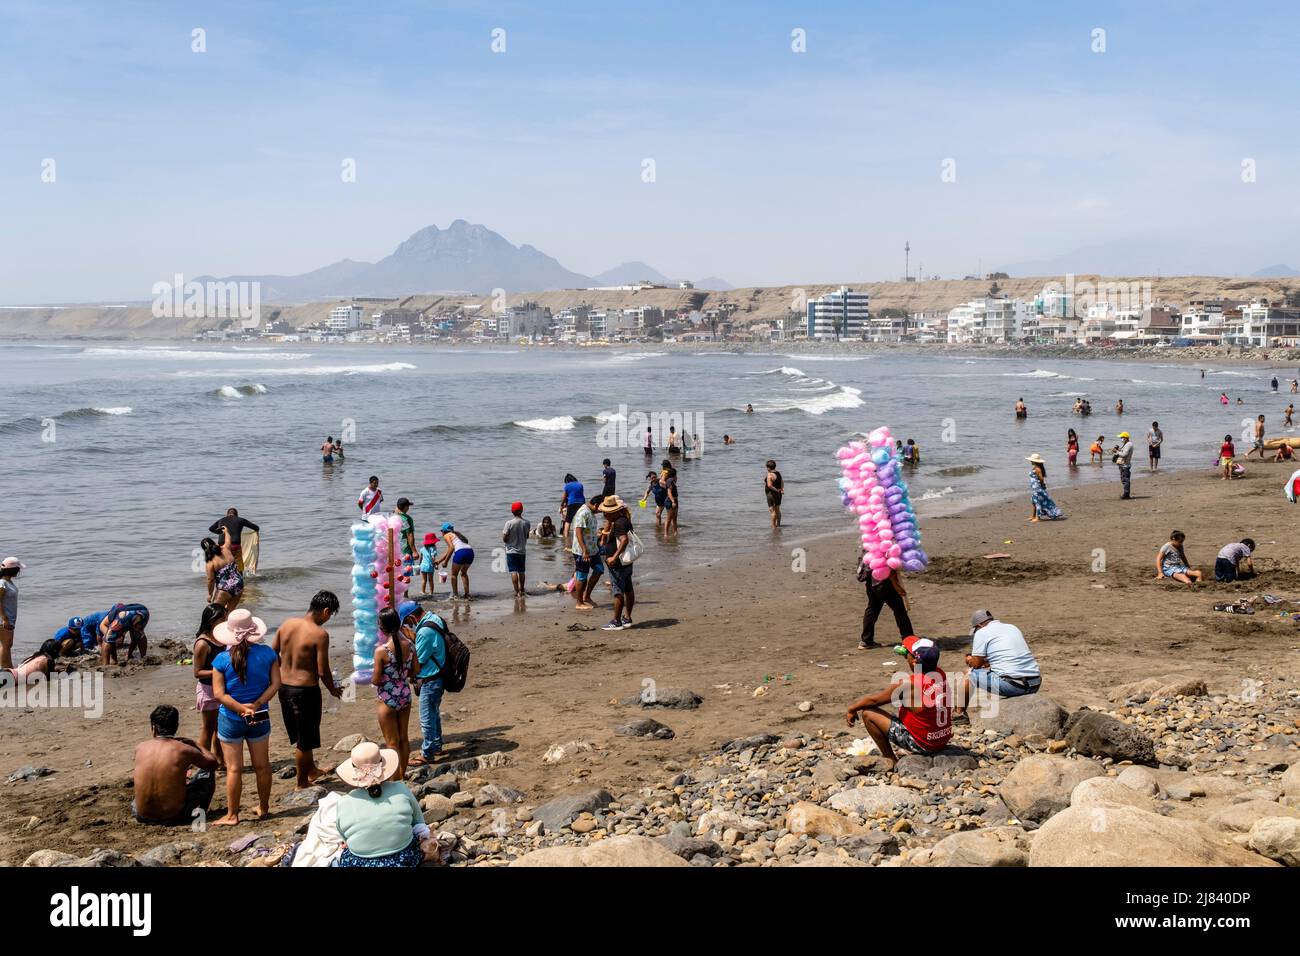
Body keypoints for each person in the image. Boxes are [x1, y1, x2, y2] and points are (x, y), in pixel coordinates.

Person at [210, 609, 280, 825]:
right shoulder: (268, 653)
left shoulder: (221, 659)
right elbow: (276, 684)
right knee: (262, 765)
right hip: (259, 714)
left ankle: (232, 815)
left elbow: (219, 694)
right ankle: (264, 807)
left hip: (231, 717)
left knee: (234, 769)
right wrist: (256, 704)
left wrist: (240, 708)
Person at [844, 635, 952, 770]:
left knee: (868, 714)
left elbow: (873, 701)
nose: (905, 656)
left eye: (907, 655)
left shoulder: (909, 684)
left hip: (925, 744)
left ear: (914, 661)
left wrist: (851, 709)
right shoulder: (940, 674)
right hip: (942, 738)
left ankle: (891, 759)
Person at [271, 590, 342, 789]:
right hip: (305, 692)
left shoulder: (287, 624)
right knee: (305, 740)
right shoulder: (320, 634)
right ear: (326, 611)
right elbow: (322, 670)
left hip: (284, 689)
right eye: (330, 615)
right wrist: (333, 689)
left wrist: (282, 672)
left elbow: (272, 652)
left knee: (303, 735)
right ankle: (302, 783)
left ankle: (311, 770)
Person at [334, 741, 431, 867]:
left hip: (360, 863)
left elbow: (344, 836)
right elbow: (419, 825)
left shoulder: (344, 801)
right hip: (403, 859)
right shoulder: (400, 789)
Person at [131, 705, 218, 826]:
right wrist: (195, 744)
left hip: (141, 814)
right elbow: (213, 764)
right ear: (176, 726)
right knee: (207, 773)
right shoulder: (184, 749)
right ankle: (201, 813)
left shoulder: (140, 747)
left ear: (153, 728)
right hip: (174, 816)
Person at [955, 610, 1041, 715]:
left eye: (976, 629)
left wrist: (970, 660)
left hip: (1016, 687)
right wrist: (986, 661)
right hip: (1035, 683)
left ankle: (958, 714)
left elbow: (976, 665)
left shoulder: (982, 632)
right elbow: (1006, 656)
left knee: (969, 674)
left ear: (979, 625)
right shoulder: (1012, 627)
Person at [372, 608, 414, 778]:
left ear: (382, 628)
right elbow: (415, 670)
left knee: (391, 743)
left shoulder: (381, 651)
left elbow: (376, 680)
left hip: (387, 699)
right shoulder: (410, 645)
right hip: (405, 695)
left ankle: (395, 778)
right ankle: (402, 774)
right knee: (403, 737)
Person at [406, 601, 448, 766]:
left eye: (407, 622)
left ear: (411, 617)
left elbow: (419, 661)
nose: (408, 626)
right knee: (434, 713)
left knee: (426, 718)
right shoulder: (434, 619)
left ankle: (428, 753)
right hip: (439, 675)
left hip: (430, 679)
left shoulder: (424, 631)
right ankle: (436, 745)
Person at [193, 602, 230, 771]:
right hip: (208, 690)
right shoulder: (203, 643)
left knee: (220, 728)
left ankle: (221, 761)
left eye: (225, 617)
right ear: (210, 620)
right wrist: (219, 671)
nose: (225, 620)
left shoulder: (223, 637)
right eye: (221, 618)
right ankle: (202, 762)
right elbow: (198, 672)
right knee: (208, 728)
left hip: (223, 688)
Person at [599, 496, 636, 631]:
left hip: (618, 563)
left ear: (613, 512)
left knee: (618, 591)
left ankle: (616, 621)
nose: (604, 515)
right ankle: (627, 618)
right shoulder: (624, 520)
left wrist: (614, 557)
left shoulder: (619, 523)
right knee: (628, 589)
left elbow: (624, 540)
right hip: (626, 561)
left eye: (606, 513)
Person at [859, 564, 912, 650]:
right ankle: (909, 639)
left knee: (873, 608)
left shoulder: (868, 550)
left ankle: (866, 641)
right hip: (885, 583)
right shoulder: (887, 550)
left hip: (871, 581)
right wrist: (896, 585)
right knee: (900, 610)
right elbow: (889, 567)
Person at [571, 494, 605, 610]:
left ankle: (587, 596)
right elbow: (578, 532)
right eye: (600, 509)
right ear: (596, 505)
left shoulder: (591, 512)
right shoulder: (583, 512)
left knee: (599, 569)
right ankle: (579, 602)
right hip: (582, 551)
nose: (601, 511)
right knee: (582, 576)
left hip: (593, 549)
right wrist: (584, 550)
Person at [202, 527, 244, 610]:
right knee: (230, 610)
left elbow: (211, 580)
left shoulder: (210, 563)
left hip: (225, 588)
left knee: (215, 612)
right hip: (238, 583)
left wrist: (210, 594)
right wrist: (226, 531)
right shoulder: (226, 549)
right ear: (214, 543)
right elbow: (228, 539)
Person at [208, 508, 259, 573]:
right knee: (239, 566)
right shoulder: (241, 520)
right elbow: (256, 527)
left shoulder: (220, 520)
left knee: (224, 565)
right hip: (234, 546)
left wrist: (218, 532)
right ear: (236, 514)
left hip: (222, 547)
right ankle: (239, 578)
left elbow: (211, 529)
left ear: (227, 514)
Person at [436, 524, 474, 599]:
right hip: (470, 552)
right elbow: (449, 551)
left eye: (441, 531)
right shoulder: (456, 535)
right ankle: (467, 594)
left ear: (444, 531)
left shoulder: (447, 535)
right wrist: (439, 561)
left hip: (460, 553)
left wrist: (446, 562)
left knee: (454, 575)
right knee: (463, 573)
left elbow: (451, 548)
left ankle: (455, 595)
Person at [502, 501, 530, 597]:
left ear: (512, 512)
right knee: (521, 571)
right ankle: (522, 589)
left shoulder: (509, 523)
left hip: (511, 551)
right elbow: (527, 536)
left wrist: (508, 539)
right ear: (522, 510)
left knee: (513, 571)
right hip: (522, 551)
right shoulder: (527, 523)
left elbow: (504, 539)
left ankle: (516, 591)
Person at [0, 556, 22, 670]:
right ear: (13, 570)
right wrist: (5, 619)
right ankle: (6, 668)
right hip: (4, 619)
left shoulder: (8, 582)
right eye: (18, 569)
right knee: (6, 644)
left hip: (9, 618)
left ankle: (6, 667)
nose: (19, 572)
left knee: (8, 644)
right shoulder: (2, 583)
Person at [1026, 453, 1063, 521]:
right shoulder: (1035, 468)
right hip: (1035, 487)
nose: (1030, 461)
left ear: (1034, 461)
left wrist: (1042, 485)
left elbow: (1041, 478)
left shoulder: (1038, 469)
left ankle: (1038, 518)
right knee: (1034, 501)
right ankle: (1033, 516)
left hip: (1037, 488)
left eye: (1031, 460)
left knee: (1037, 502)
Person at [560, 473, 585, 545]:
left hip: (572, 504)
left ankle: (566, 540)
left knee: (568, 521)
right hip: (581, 504)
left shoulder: (567, 486)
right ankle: (581, 537)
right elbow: (581, 494)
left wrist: (562, 505)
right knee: (580, 520)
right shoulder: (580, 484)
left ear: (567, 481)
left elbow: (564, 497)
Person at [395, 497, 416, 574]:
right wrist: (414, 551)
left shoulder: (393, 516)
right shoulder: (407, 518)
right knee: (406, 574)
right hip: (405, 550)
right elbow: (410, 535)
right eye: (408, 506)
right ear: (406, 507)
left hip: (395, 550)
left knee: (396, 573)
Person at [1112, 431, 1134, 499]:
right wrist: (1118, 450)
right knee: (1124, 480)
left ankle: (1126, 494)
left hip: (1125, 465)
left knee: (1125, 480)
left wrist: (1117, 452)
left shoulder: (1128, 444)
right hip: (1124, 465)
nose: (1121, 439)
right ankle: (1126, 494)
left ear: (1125, 438)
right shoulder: (1127, 444)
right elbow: (1124, 452)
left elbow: (1124, 454)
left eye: (1122, 437)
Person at [764, 459, 784, 529]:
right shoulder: (778, 473)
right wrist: (781, 490)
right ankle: (778, 524)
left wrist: (776, 490)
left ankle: (773, 526)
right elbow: (782, 482)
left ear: (768, 467)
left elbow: (769, 485)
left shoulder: (770, 475)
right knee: (777, 509)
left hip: (771, 494)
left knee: (772, 511)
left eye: (766, 467)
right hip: (779, 494)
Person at [417, 532, 438, 597]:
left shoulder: (422, 549)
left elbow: (421, 557)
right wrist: (435, 565)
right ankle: (431, 592)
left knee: (424, 580)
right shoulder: (433, 548)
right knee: (431, 580)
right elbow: (433, 557)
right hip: (429, 566)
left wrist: (419, 564)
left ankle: (423, 591)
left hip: (423, 566)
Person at [661, 460, 679, 534]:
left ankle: (675, 532)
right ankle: (666, 534)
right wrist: (673, 501)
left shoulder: (672, 481)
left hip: (674, 500)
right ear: (674, 475)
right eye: (676, 475)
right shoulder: (670, 481)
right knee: (669, 518)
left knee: (674, 518)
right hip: (670, 501)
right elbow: (669, 492)